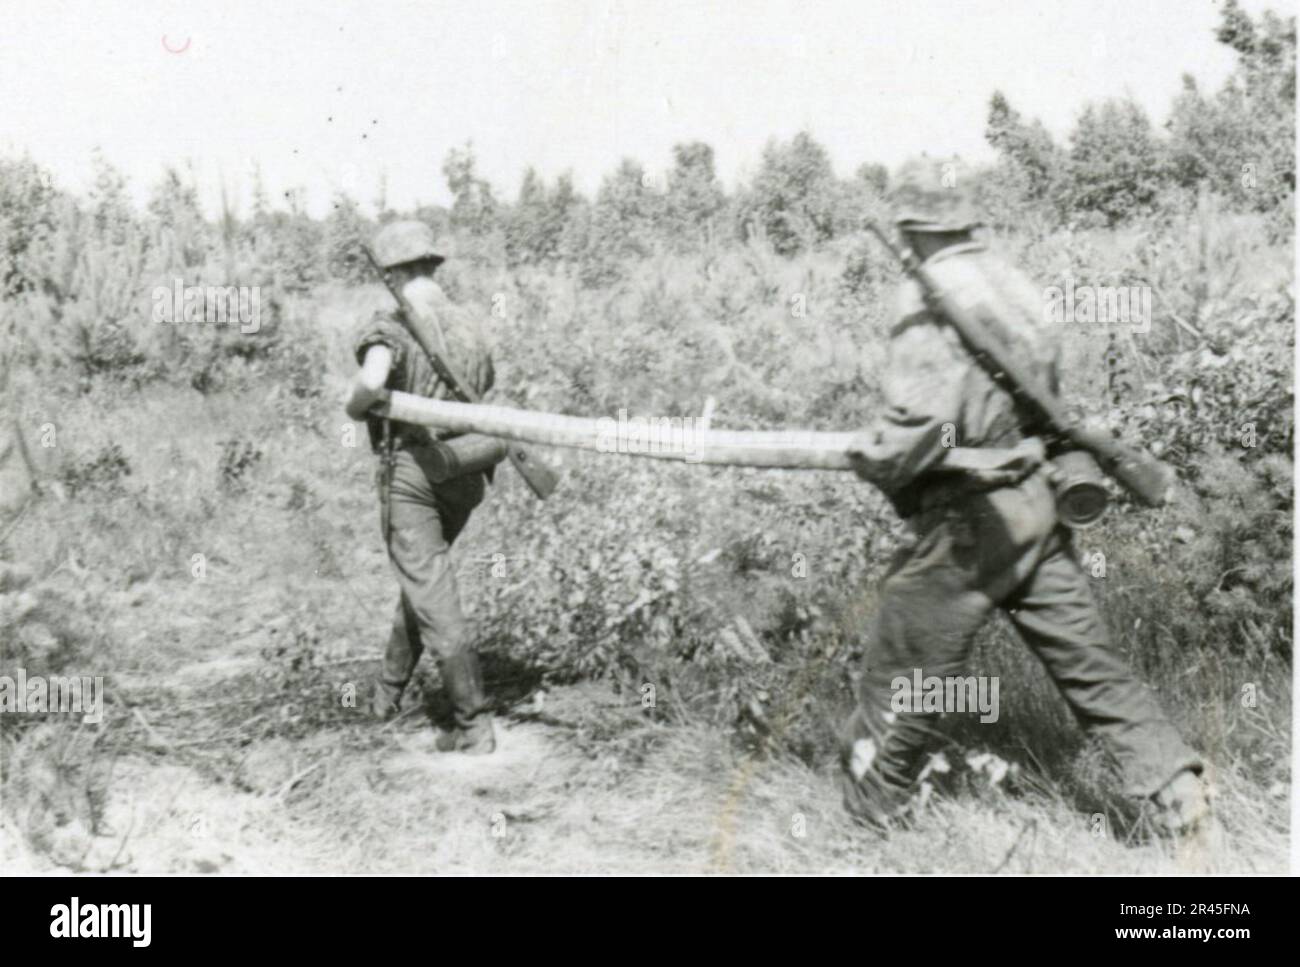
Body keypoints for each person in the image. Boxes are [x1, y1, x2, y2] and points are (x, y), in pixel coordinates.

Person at [840, 212, 1210, 833]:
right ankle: (1179, 791)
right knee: (1091, 664)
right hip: (1036, 503)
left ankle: (871, 813)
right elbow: (1043, 399)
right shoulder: (1010, 281)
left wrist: (874, 456)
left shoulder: (928, 293)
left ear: (912, 230)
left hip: (971, 514)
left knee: (907, 657)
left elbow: (926, 421)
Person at [344, 220, 499, 754]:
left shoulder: (391, 322)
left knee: (433, 593)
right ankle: (386, 696)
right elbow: (485, 384)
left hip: (413, 472)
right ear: (432, 266)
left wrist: (355, 406)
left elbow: (371, 380)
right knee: (423, 583)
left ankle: (473, 725)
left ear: (395, 273)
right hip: (466, 468)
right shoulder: (472, 324)